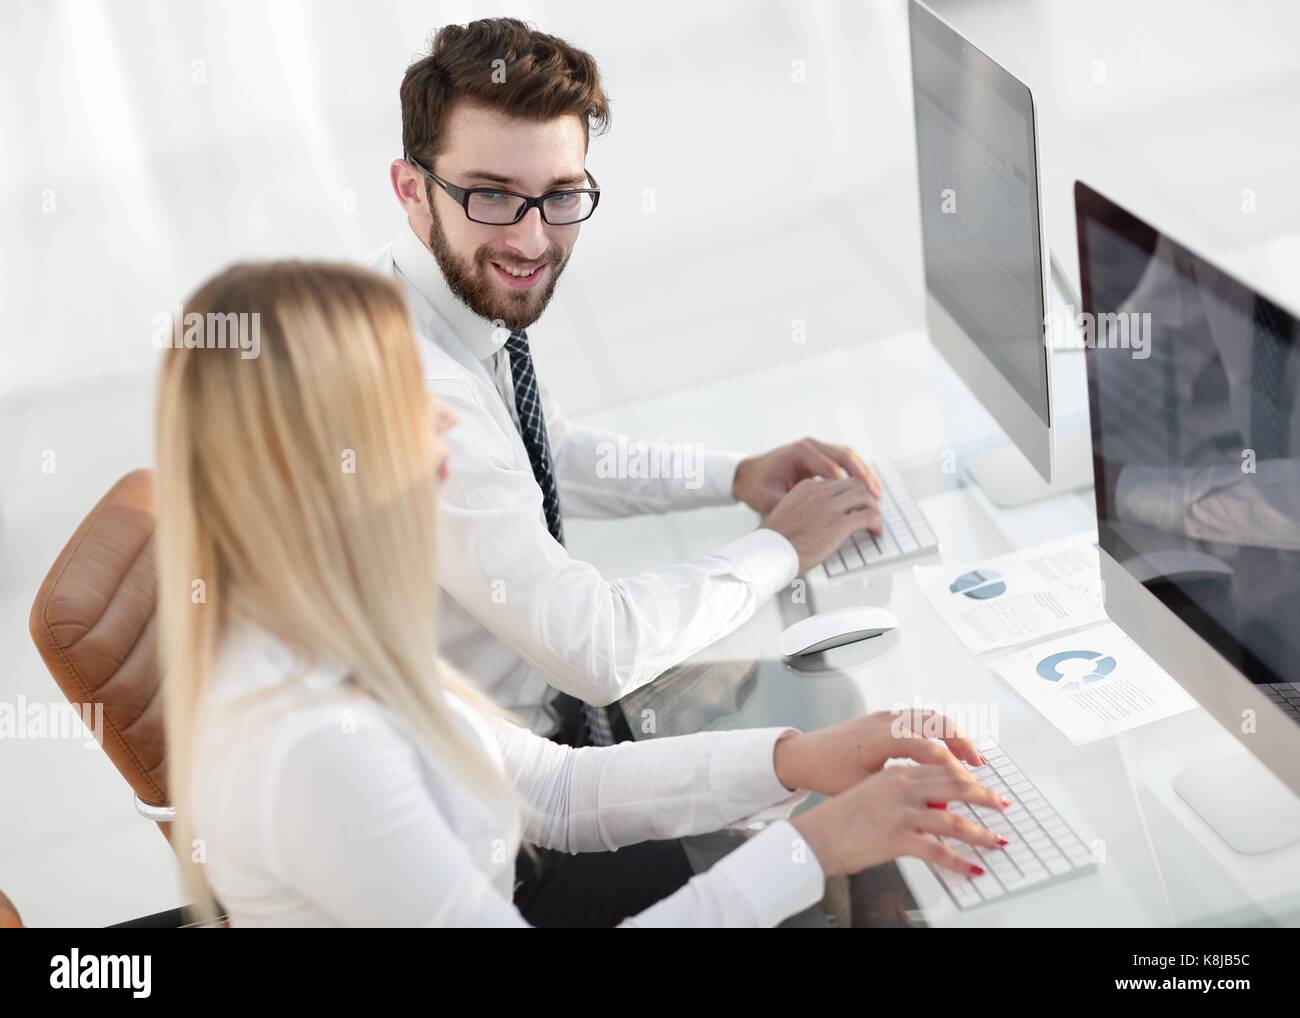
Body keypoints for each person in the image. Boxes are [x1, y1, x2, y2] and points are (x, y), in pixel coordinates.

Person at [156, 260, 1011, 928]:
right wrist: (813, 843)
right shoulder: (316, 746)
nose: (447, 420)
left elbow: (558, 790)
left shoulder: (329, 634)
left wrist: (799, 757)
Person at [371, 17, 885, 748]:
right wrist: (780, 547)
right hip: (505, 781)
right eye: (491, 196)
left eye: (560, 195)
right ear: (411, 189)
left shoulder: (439, 298)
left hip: (544, 712)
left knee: (825, 705)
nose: (530, 239)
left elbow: (546, 453)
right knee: (831, 743)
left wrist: (737, 476)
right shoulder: (417, 393)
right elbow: (597, 652)